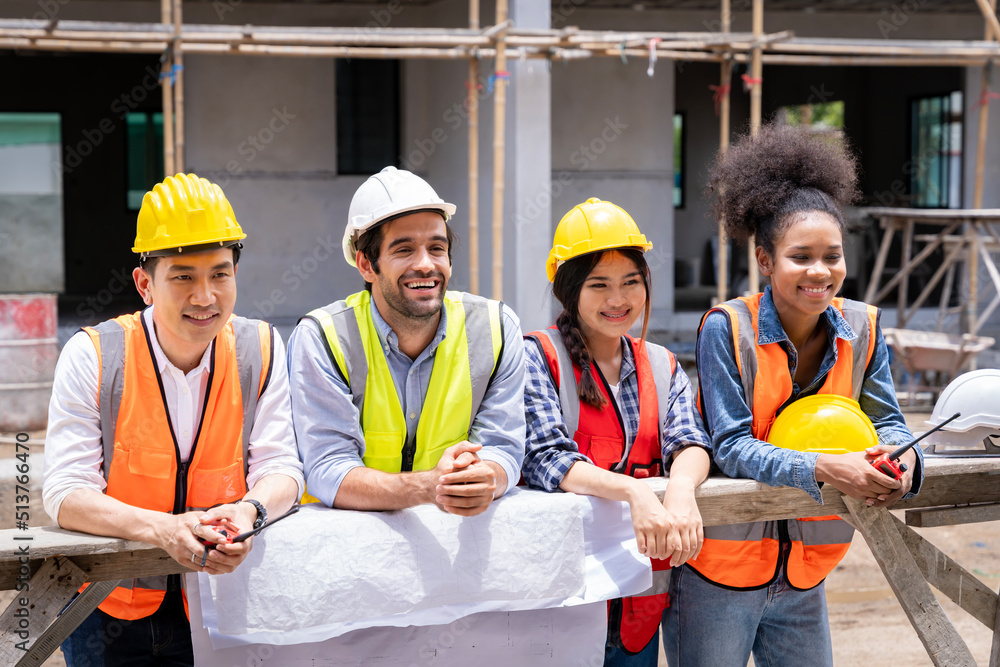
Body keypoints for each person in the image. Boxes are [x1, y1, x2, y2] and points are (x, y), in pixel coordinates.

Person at [665, 124, 922, 667]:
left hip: (808, 570)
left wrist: (903, 464)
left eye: (832, 256)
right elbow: (730, 446)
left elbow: (891, 424)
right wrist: (831, 468)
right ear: (765, 260)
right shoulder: (726, 329)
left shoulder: (866, 328)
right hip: (719, 570)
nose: (820, 272)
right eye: (800, 256)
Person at [44, 173, 304, 666]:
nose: (205, 296)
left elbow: (282, 468)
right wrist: (163, 529)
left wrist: (250, 511)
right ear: (145, 283)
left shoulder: (261, 350)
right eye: (183, 276)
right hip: (105, 607)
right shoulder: (95, 356)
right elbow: (65, 495)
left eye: (220, 274)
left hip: (219, 602)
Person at [522, 198, 712, 666]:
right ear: (569, 290)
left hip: (637, 600)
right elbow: (548, 457)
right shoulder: (537, 358)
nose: (618, 300)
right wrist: (634, 491)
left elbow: (689, 440)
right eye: (599, 285)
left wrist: (683, 486)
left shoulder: (663, 366)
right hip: (560, 598)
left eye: (631, 282)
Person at [288, 166, 524, 515]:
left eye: (437, 248)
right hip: (349, 553)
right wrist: (430, 487)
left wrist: (487, 477)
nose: (426, 264)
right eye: (404, 250)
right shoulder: (323, 338)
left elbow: (503, 447)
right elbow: (328, 469)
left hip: (457, 550)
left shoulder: (496, 329)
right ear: (366, 264)